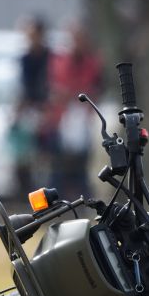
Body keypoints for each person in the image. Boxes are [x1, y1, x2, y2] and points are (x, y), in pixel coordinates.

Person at [47, 20, 103, 200]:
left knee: (82, 164)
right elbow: (56, 88)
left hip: (84, 116)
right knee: (59, 164)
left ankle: (84, 198)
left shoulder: (92, 62)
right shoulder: (60, 62)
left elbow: (96, 88)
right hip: (63, 118)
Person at [11, 15, 54, 193]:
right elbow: (22, 87)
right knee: (22, 156)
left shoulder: (50, 58)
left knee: (45, 156)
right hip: (28, 111)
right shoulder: (24, 59)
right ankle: (23, 192)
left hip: (46, 110)